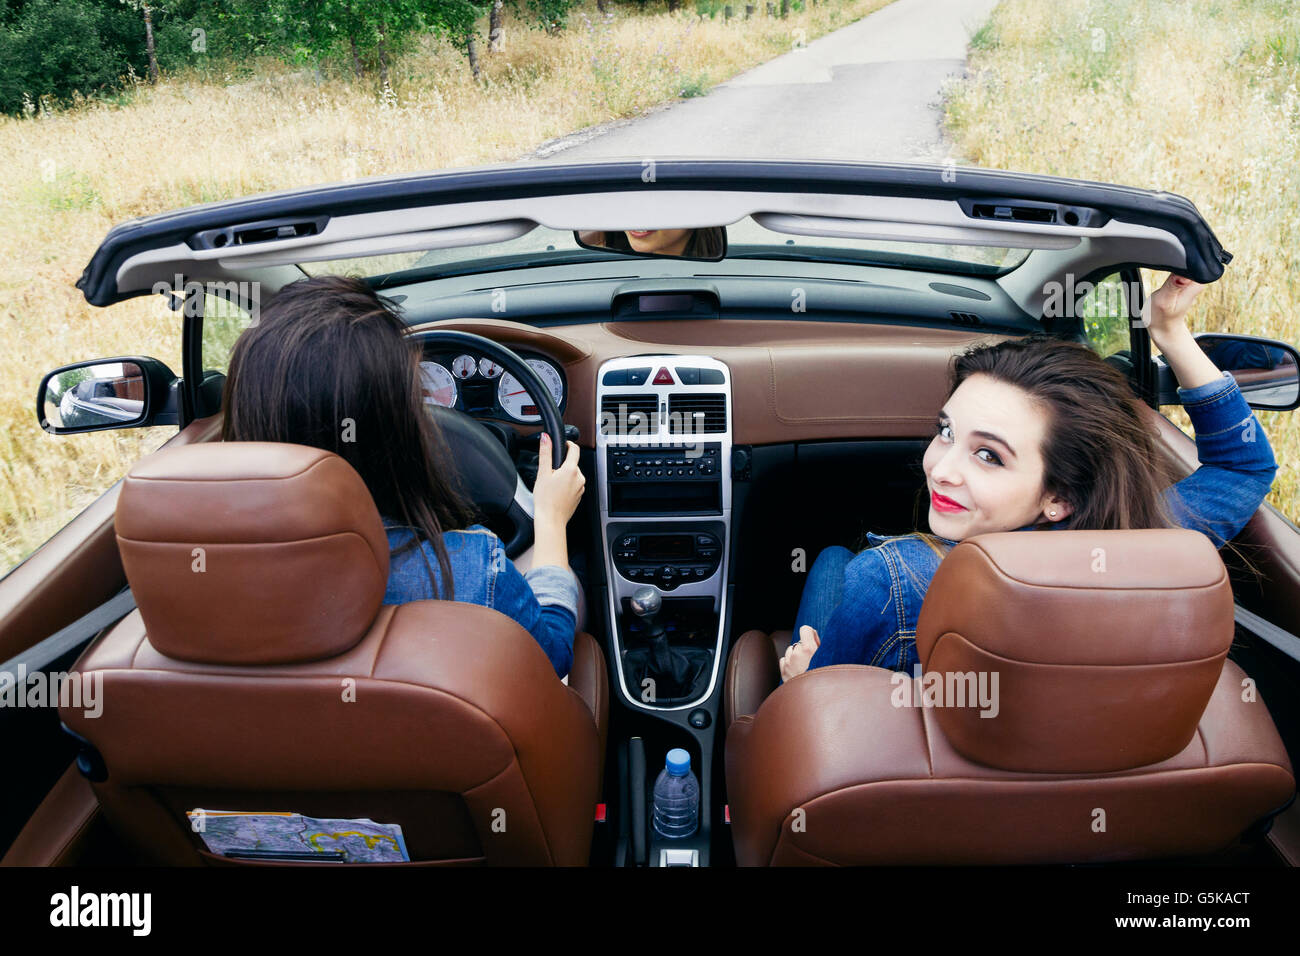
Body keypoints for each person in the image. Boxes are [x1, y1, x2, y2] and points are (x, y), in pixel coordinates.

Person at [780, 275, 1279, 681]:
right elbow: (1243, 465)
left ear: (1059, 497)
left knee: (832, 560)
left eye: (989, 456)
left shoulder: (893, 577)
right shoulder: (1158, 542)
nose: (941, 468)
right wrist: (1168, 331)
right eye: (946, 431)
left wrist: (806, 685)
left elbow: (826, 721)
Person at [220, 275, 586, 679]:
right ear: (397, 432)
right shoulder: (476, 569)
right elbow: (552, 659)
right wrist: (551, 519)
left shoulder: (205, 572)